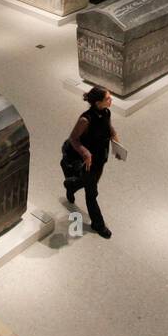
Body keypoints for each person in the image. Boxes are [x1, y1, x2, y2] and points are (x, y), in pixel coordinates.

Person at [65, 85, 119, 239]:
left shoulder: (106, 112)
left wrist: (117, 144)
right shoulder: (85, 119)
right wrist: (85, 152)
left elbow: (109, 128)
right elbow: (73, 139)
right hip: (88, 162)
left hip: (101, 158)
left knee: (90, 182)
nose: (111, 100)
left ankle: (71, 184)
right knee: (92, 193)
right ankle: (98, 224)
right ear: (97, 102)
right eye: (108, 98)